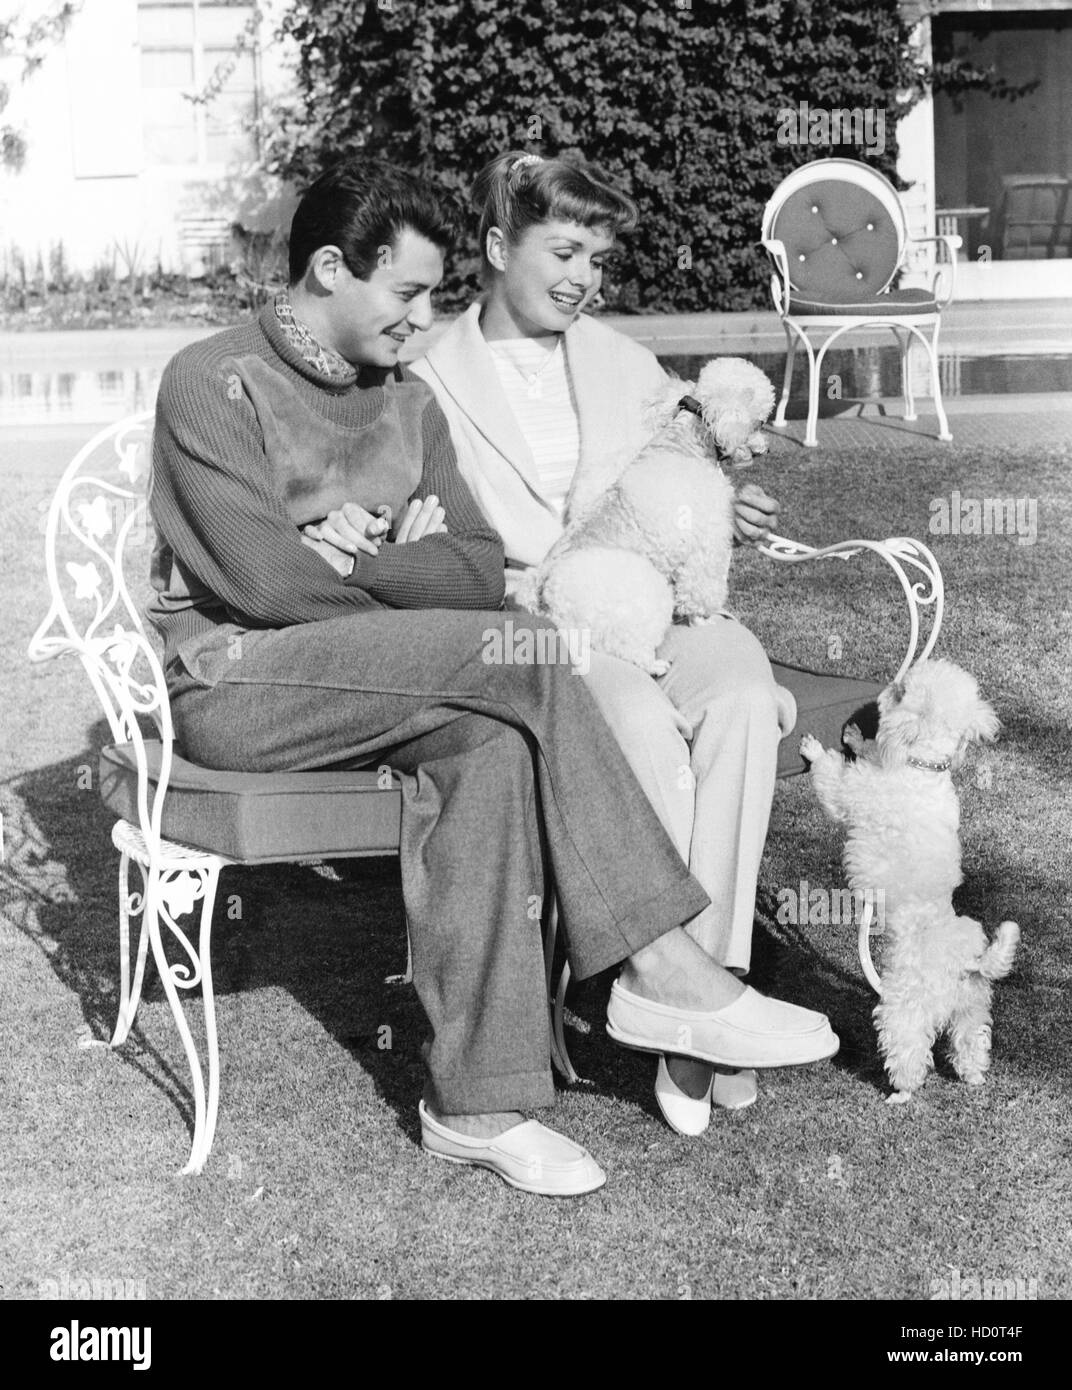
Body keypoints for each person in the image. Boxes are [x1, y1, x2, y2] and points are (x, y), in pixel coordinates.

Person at [150, 157, 837, 1196]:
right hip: (242, 685)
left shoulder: (406, 405)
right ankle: (662, 965)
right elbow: (265, 582)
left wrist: (366, 556)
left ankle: (477, 1101)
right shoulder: (212, 379)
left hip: (388, 674)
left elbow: (472, 566)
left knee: (490, 743)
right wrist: (379, 568)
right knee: (527, 653)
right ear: (332, 268)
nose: (426, 319)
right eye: (408, 293)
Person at [409, 151, 803, 1137]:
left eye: (599, 256)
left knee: (745, 696)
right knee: (639, 727)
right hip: (534, 626)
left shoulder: (621, 363)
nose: (585, 276)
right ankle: (685, 993)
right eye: (566, 249)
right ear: (499, 248)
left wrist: (726, 499)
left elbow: (679, 466)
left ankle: (694, 1015)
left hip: (645, 597)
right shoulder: (426, 377)